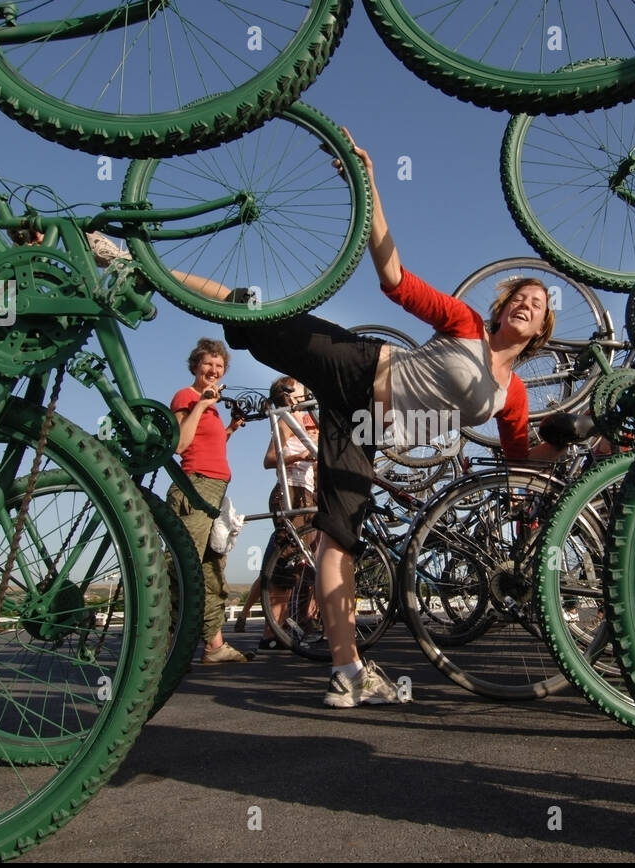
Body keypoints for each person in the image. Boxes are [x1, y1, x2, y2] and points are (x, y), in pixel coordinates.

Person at [224, 131, 561, 707]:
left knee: (339, 538)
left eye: (539, 301)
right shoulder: (463, 325)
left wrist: (578, 436)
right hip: (361, 368)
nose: (528, 301)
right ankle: (140, 266)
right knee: (252, 311)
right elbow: (395, 277)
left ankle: (348, 672)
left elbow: (519, 462)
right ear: (501, 308)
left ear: (542, 328)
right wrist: (370, 185)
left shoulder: (515, 395)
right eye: (519, 296)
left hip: (365, 431)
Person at [167, 338, 250, 665]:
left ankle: (214, 646)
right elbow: (180, 444)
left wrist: (230, 428)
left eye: (219, 366)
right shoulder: (186, 397)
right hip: (194, 488)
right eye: (208, 364)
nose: (214, 370)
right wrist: (200, 404)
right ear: (195, 366)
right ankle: (166, 646)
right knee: (183, 567)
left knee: (212, 568)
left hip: (214, 490)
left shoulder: (211, 404)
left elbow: (208, 445)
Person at [236, 376, 320, 648]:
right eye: (297, 392)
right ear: (285, 395)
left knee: (292, 563)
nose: (302, 396)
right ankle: (270, 634)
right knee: (284, 563)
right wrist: (301, 456)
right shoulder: (285, 420)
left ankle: (280, 627)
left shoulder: (304, 422)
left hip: (304, 491)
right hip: (288, 492)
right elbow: (270, 459)